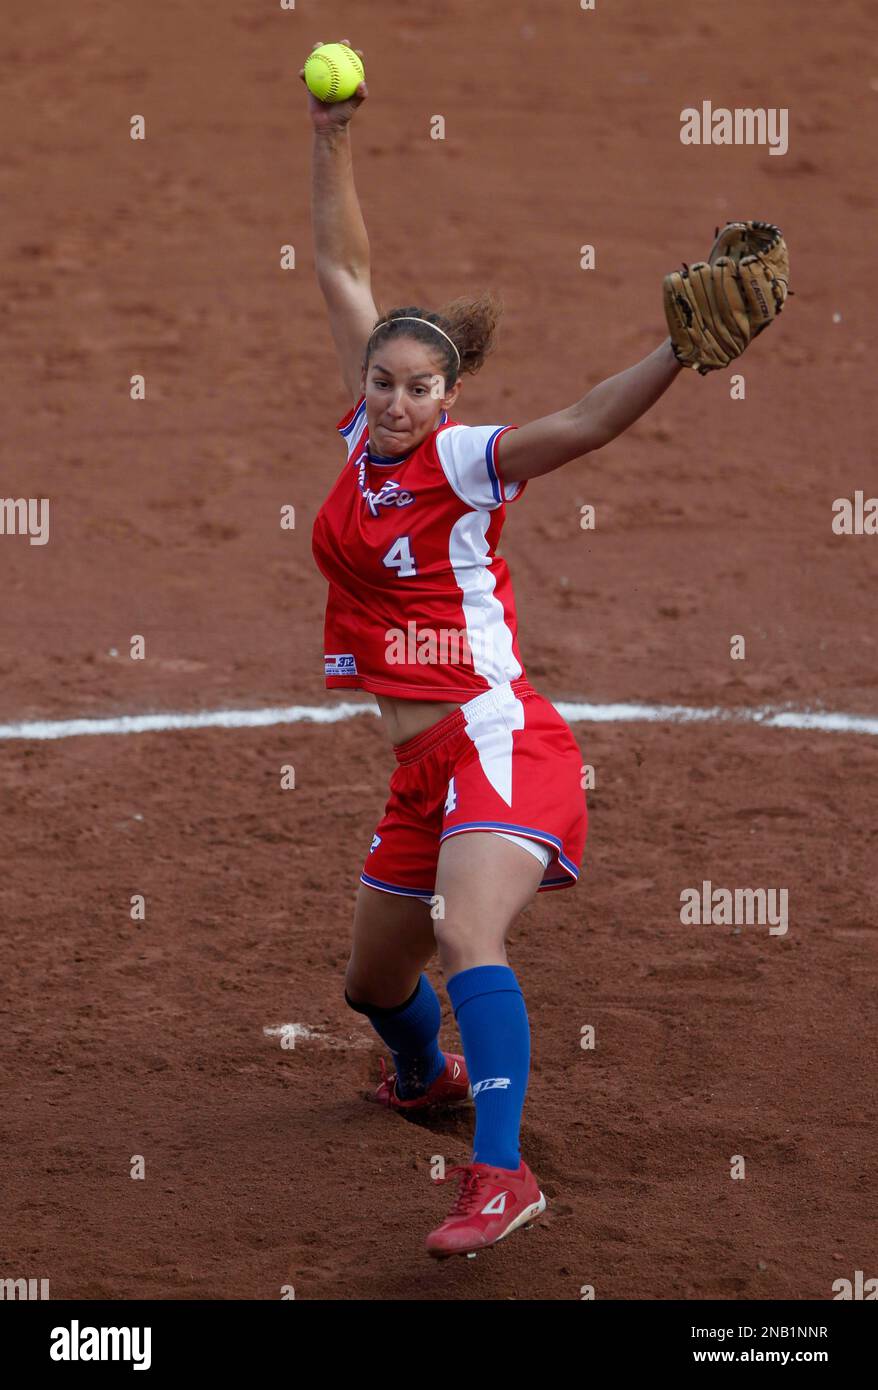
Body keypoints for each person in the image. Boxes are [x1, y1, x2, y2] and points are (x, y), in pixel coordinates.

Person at [302, 41, 682, 1259]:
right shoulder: (364, 436)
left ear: (448, 396)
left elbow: (582, 423)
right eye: (386, 382)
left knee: (470, 936)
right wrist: (334, 130)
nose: (400, 399)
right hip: (416, 769)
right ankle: (425, 1076)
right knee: (374, 987)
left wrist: (680, 350)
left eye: (421, 385)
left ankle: (500, 1176)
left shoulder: (467, 460)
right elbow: (341, 263)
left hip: (496, 739)